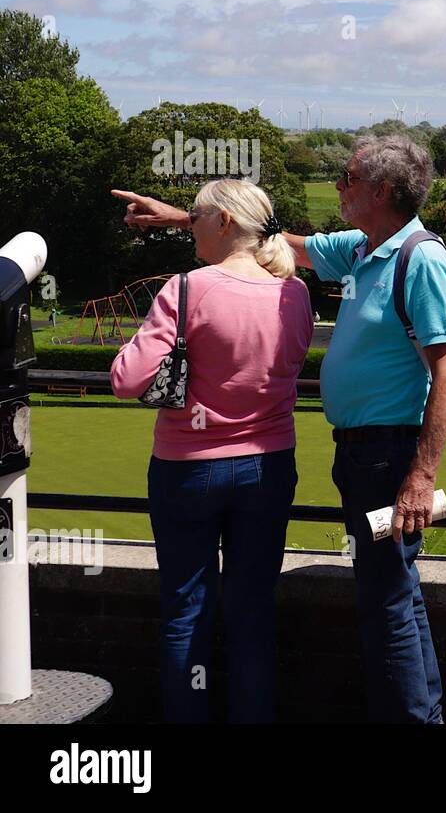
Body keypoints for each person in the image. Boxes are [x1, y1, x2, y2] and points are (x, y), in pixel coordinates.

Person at [115, 135, 446, 723]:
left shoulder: (420, 258)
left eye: (347, 179)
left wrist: (421, 477)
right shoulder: (362, 248)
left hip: (388, 457)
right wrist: (188, 217)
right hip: (335, 457)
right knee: (389, 593)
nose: (338, 188)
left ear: (381, 191)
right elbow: (279, 243)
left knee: (386, 601)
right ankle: (424, 716)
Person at [109, 178, 313, 723]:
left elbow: (128, 380)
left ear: (223, 221)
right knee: (251, 614)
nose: (191, 225)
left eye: (196, 216)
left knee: (186, 615)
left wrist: (142, 336)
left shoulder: (185, 289)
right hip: (268, 466)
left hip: (187, 470)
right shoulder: (294, 294)